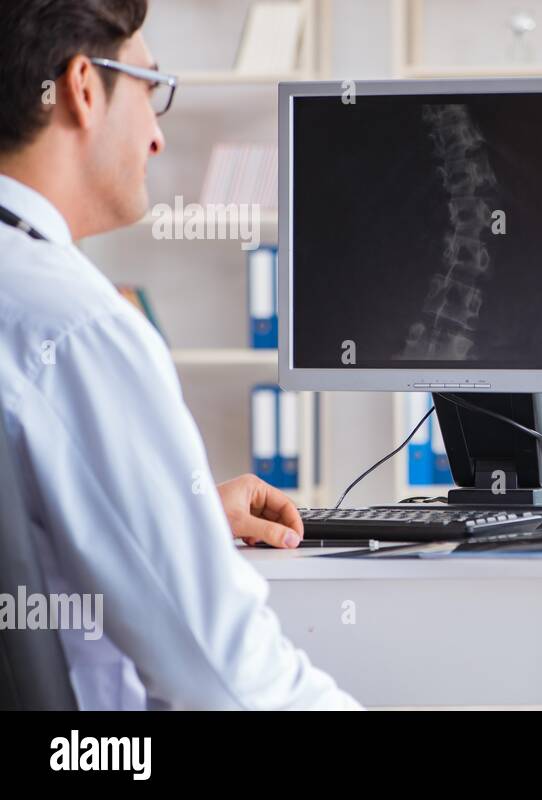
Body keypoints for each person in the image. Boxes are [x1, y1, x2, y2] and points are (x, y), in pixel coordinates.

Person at [0, 0, 361, 709]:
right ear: (82, 86)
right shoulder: (78, 327)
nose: (158, 137)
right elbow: (224, 682)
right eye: (150, 88)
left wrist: (176, 511)